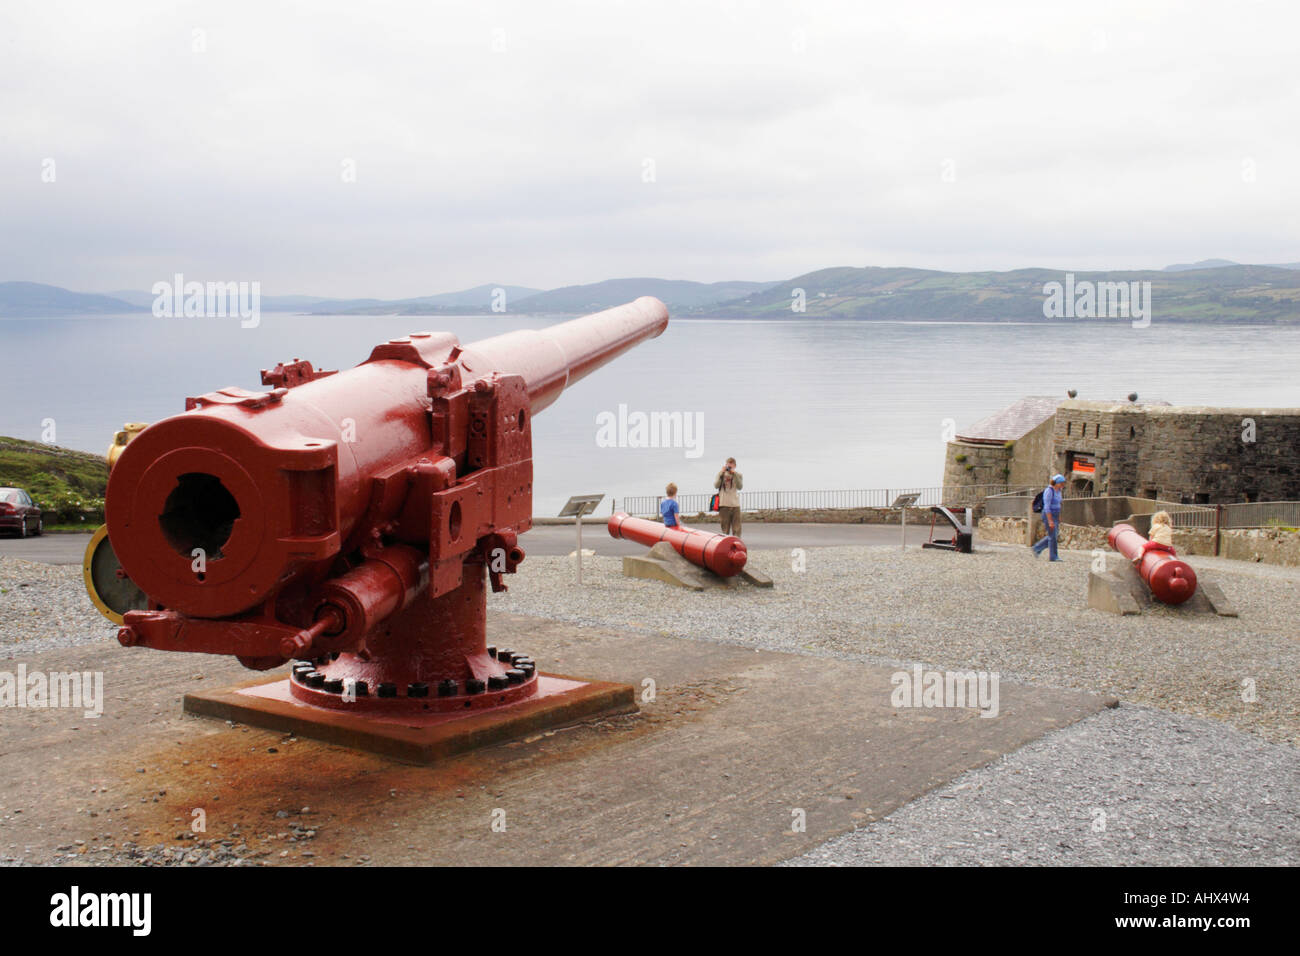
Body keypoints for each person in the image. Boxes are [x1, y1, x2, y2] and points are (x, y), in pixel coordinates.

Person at [1031, 473, 1066, 561]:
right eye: (1062, 483)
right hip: (1048, 514)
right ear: (1057, 483)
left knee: (1054, 535)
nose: (1063, 485)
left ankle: (1037, 548)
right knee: (1052, 536)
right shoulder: (1049, 491)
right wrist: (1050, 520)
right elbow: (1047, 507)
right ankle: (1053, 556)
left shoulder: (1059, 491)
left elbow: (1059, 504)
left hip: (1055, 514)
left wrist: (1059, 516)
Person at [714, 457, 743, 537]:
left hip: (735, 505)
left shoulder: (738, 475)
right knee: (725, 530)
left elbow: (740, 487)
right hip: (724, 504)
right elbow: (716, 485)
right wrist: (721, 473)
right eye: (728, 464)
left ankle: (736, 543)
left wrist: (734, 474)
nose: (729, 466)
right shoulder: (721, 474)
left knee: (737, 529)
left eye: (731, 465)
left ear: (735, 466)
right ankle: (725, 543)